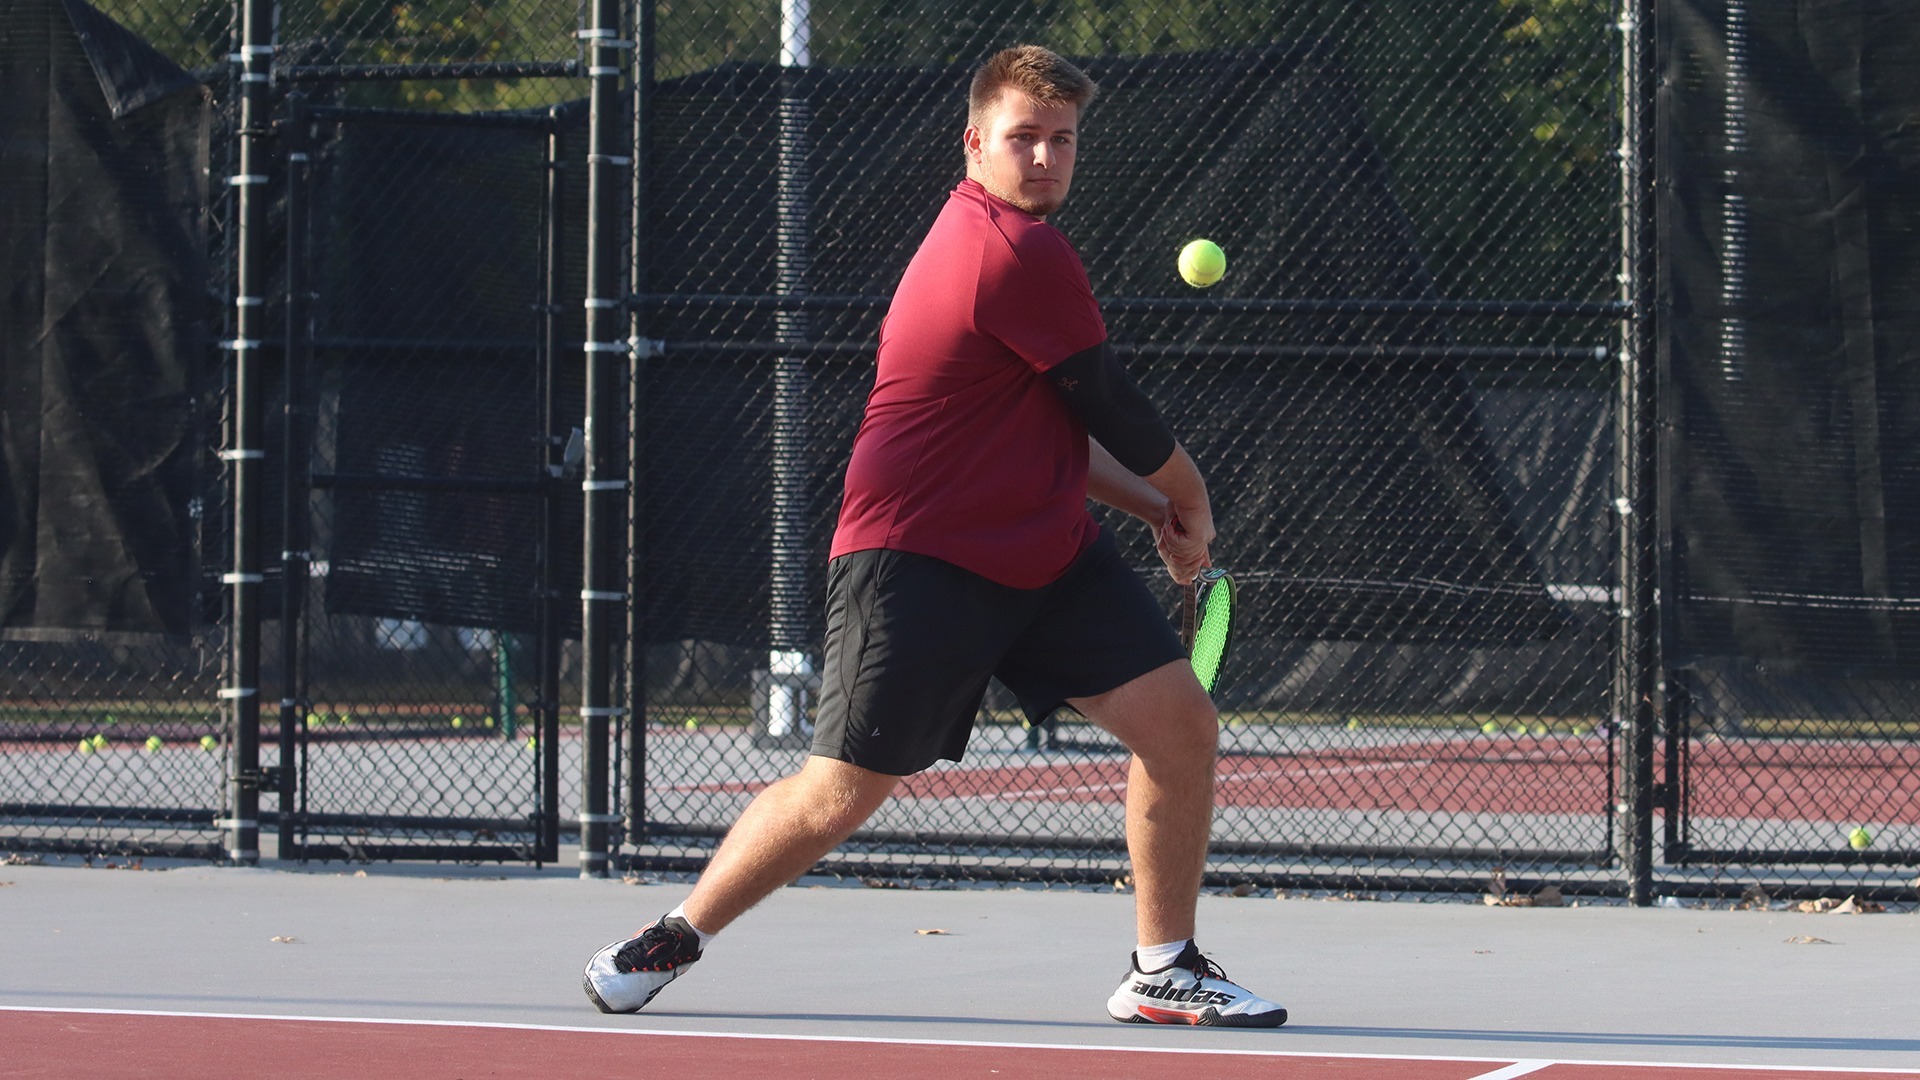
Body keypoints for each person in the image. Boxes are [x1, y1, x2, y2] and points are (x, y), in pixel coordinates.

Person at [584, 43, 1286, 1028]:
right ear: (974, 143)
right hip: (923, 558)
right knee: (838, 795)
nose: (1044, 158)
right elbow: (1114, 410)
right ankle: (671, 937)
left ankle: (1164, 964)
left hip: (1044, 549)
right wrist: (1194, 499)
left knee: (1179, 727)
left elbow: (1053, 431)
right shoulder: (1012, 250)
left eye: (1062, 141)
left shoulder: (1007, 241)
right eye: (1023, 138)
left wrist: (1154, 511)